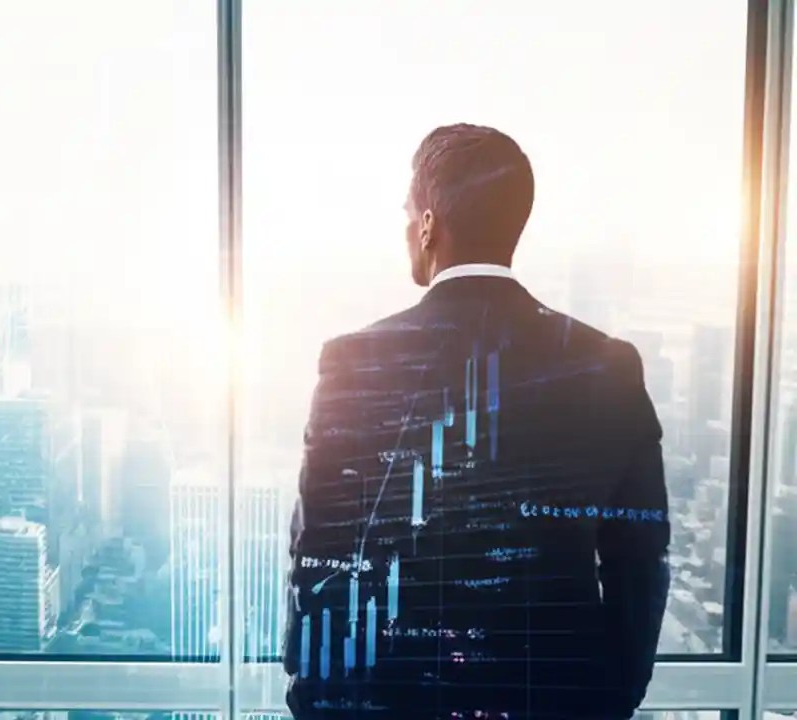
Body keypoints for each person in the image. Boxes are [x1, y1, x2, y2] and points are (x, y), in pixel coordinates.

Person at [284, 124, 670, 720]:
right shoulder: (607, 367)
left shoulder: (354, 364)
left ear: (430, 223)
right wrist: (606, 701)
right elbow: (639, 562)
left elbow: (320, 558)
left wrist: (320, 704)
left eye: (409, 213)